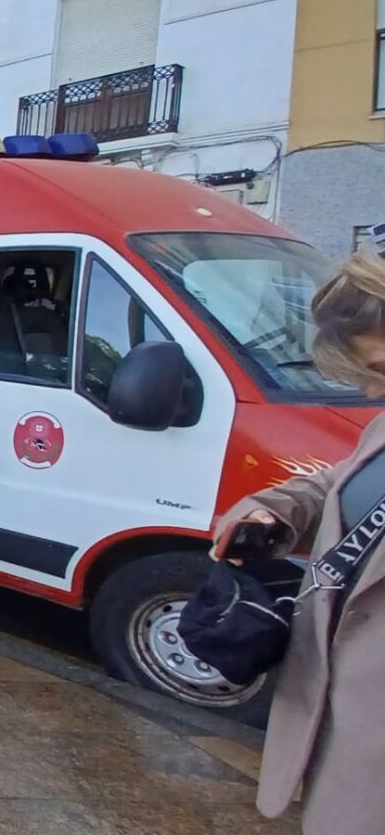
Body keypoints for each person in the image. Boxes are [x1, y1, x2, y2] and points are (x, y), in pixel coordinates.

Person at [210, 252, 385, 835]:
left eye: (379, 367)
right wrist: (280, 508)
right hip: (347, 711)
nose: (372, 388)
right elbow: (345, 480)